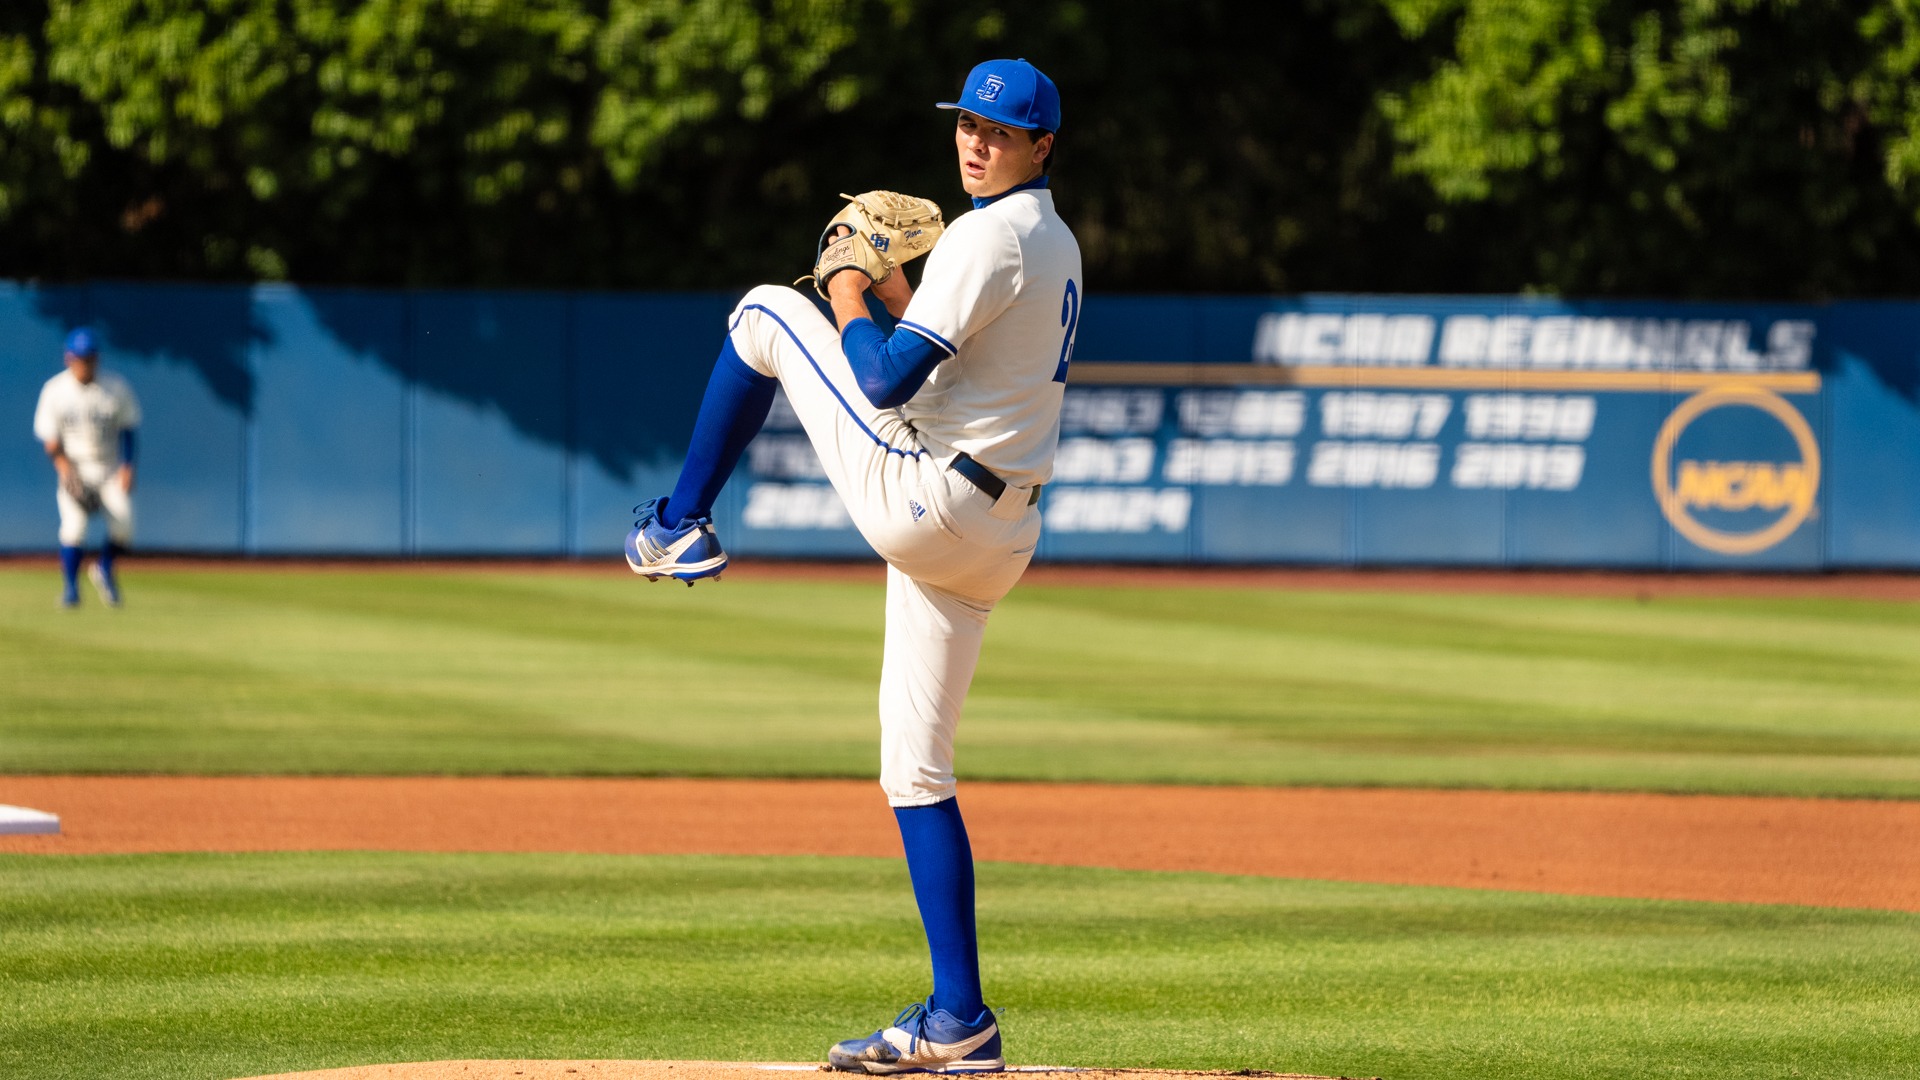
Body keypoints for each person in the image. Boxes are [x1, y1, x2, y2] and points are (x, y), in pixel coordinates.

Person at [625, 58, 1079, 1073]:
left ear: (1043, 146)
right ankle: (961, 1021)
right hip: (994, 531)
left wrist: (841, 278)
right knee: (914, 770)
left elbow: (876, 382)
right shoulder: (1048, 240)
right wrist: (890, 288)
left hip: (938, 505)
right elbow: (936, 369)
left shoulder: (987, 234)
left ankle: (677, 523)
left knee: (760, 313)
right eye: (967, 123)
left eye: (999, 132)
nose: (975, 142)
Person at [32, 327, 141, 608]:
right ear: (69, 358)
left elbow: (128, 429)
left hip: (108, 469)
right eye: (80, 357)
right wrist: (64, 469)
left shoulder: (115, 388)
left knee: (124, 527)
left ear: (97, 358)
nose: (85, 362)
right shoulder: (55, 390)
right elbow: (50, 439)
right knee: (74, 528)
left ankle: (103, 568)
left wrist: (128, 467)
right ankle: (71, 590)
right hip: (74, 468)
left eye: (89, 357)